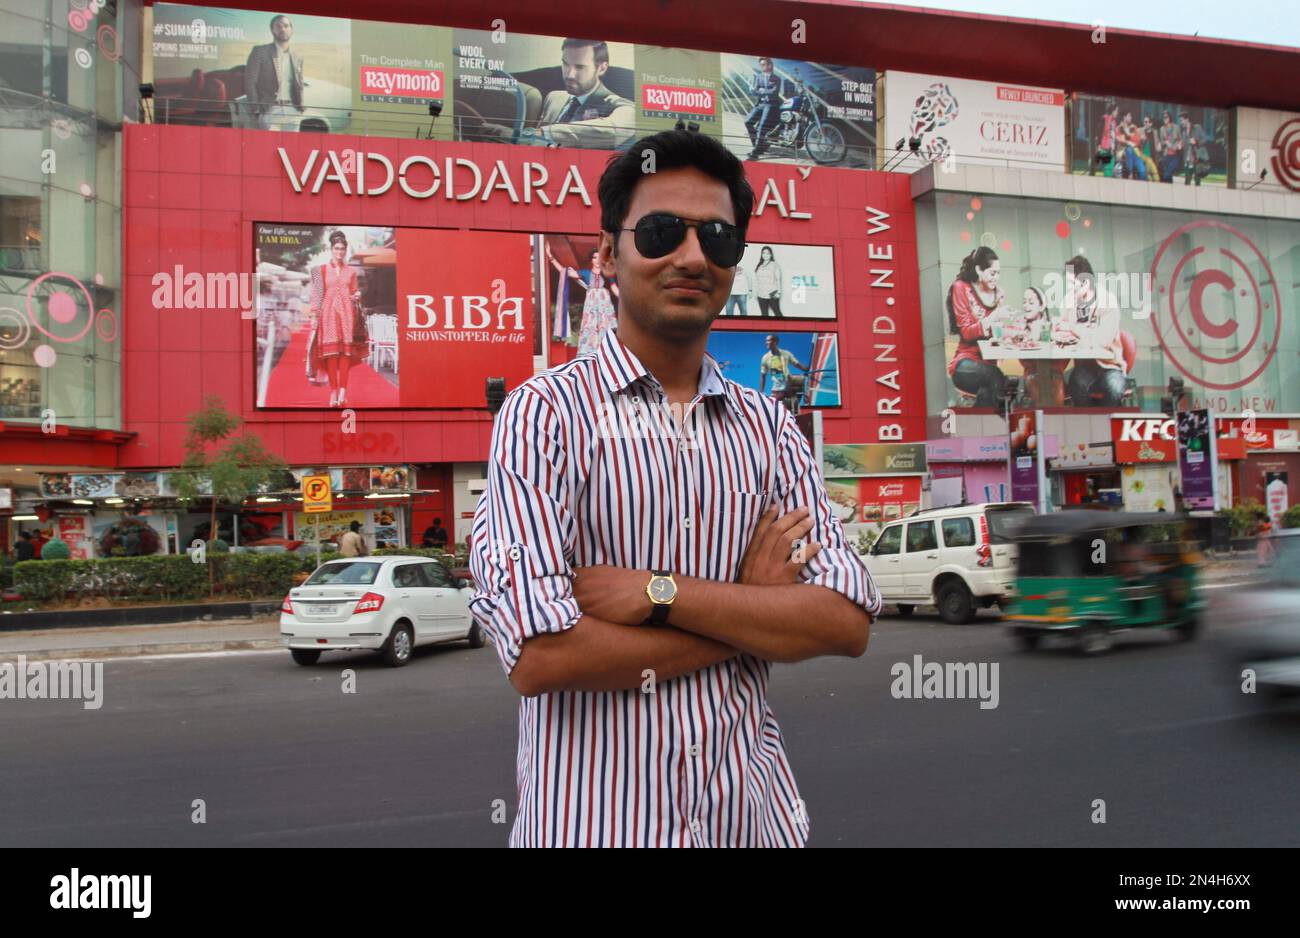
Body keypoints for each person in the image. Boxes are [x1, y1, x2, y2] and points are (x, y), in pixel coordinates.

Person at [469, 128, 878, 848]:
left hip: (752, 827)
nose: (692, 256)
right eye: (661, 232)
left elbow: (845, 622)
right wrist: (753, 615)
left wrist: (662, 593)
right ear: (607, 253)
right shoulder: (545, 417)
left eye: (717, 238)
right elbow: (539, 657)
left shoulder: (771, 430)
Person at [528, 39, 635, 150]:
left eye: (579, 67)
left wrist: (545, 133)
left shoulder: (621, 106)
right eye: (565, 64)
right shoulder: (554, 97)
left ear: (602, 69)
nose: (569, 75)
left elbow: (614, 131)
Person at [946, 246, 1010, 408]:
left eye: (998, 273)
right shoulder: (961, 288)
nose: (996, 278)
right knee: (995, 377)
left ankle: (984, 428)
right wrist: (995, 315)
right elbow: (967, 332)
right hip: (965, 363)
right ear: (979, 270)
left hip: (990, 363)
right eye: (992, 273)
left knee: (989, 390)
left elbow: (997, 333)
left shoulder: (998, 293)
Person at [1059, 255, 1127, 407]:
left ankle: (1108, 428)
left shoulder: (1108, 301)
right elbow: (1061, 327)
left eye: (1071, 283)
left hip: (1109, 365)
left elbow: (1102, 341)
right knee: (1077, 383)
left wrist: (1073, 328)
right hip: (1084, 366)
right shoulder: (1068, 301)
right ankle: (1088, 426)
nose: (1069, 288)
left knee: (1114, 388)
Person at [309, 230, 366, 407]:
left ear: (345, 250)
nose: (339, 251)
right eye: (336, 248)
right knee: (331, 355)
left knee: (345, 355)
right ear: (331, 249)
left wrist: (357, 295)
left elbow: (354, 291)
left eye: (342, 249)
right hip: (328, 315)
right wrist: (314, 316)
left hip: (348, 315)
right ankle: (333, 392)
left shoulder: (352, 271)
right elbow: (316, 295)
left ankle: (343, 391)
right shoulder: (321, 270)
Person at [243, 15, 304, 132]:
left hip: (293, 111)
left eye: (286, 26)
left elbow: (299, 83)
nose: (283, 29)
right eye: (278, 26)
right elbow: (250, 81)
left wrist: (300, 108)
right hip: (270, 111)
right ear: (272, 29)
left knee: (291, 149)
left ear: (291, 29)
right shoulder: (260, 51)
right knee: (269, 148)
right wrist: (256, 110)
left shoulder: (298, 56)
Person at [744, 57, 789, 160]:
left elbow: (774, 91)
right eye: (762, 65)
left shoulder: (777, 78)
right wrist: (760, 90)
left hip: (771, 104)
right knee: (748, 122)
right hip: (760, 104)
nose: (763, 67)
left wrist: (761, 90)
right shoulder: (758, 77)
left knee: (762, 126)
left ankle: (755, 153)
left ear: (770, 65)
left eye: (765, 64)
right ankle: (758, 146)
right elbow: (754, 91)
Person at [759, 333, 808, 399]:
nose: (766, 343)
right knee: (778, 403)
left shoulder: (785, 353)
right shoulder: (765, 358)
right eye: (766, 341)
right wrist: (761, 392)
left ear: (775, 342)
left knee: (805, 380)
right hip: (778, 388)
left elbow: (797, 365)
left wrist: (808, 368)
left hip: (789, 383)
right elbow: (763, 376)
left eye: (768, 340)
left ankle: (806, 397)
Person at [752, 245, 784, 317]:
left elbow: (778, 279)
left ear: (771, 255)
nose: (765, 255)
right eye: (764, 253)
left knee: (777, 313)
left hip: (772, 293)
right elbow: (756, 280)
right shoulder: (759, 265)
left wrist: (779, 292)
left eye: (768, 253)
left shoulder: (775, 265)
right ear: (761, 254)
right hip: (761, 294)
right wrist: (755, 292)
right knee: (764, 315)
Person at [1158, 110, 1182, 183]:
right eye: (1163, 117)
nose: (1164, 119)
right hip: (1166, 155)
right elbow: (1161, 142)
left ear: (1170, 118)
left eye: (1166, 117)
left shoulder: (1176, 127)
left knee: (1167, 174)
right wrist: (1164, 142)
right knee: (1168, 176)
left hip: (1174, 154)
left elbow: (1180, 139)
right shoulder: (1161, 129)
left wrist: (1179, 145)